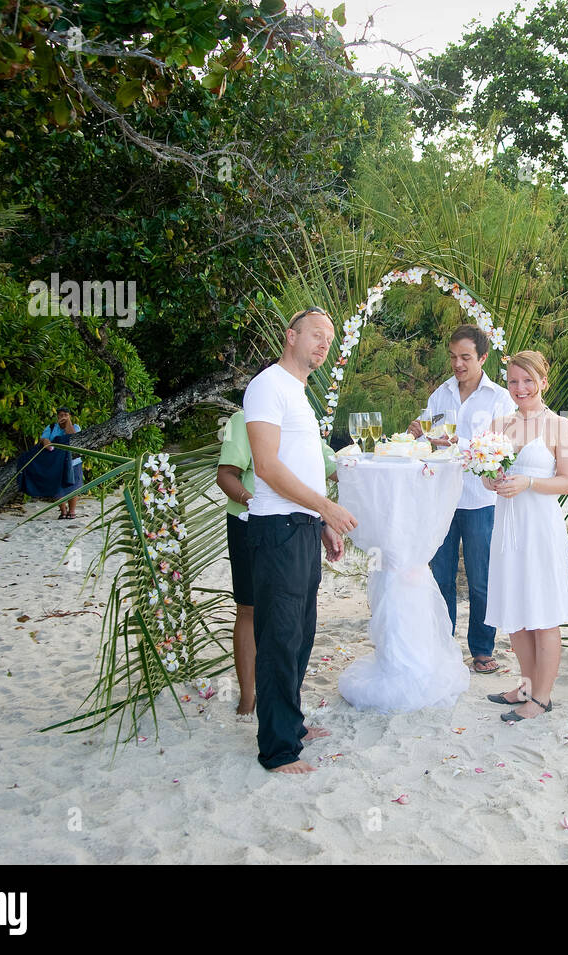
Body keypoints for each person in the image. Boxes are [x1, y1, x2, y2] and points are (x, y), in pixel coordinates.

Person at [244, 308, 358, 774]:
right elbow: (267, 467)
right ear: (290, 336)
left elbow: (304, 464)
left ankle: (291, 724)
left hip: (303, 527)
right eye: (316, 335)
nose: (323, 344)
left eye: (329, 339)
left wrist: (323, 521)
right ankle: (276, 750)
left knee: (301, 635)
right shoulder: (267, 385)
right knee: (279, 639)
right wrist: (327, 507)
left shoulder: (299, 392)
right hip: (277, 528)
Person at [216, 408, 338, 725]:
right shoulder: (244, 419)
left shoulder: (302, 418)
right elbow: (226, 474)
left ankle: (284, 701)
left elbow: (330, 467)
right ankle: (247, 698)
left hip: (297, 525)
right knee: (249, 607)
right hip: (247, 522)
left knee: (291, 610)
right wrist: (250, 501)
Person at [408, 325, 515, 674]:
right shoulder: (440, 394)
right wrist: (418, 434)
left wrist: (456, 444)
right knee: (440, 577)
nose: (457, 364)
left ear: (483, 358)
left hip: (480, 500)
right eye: (453, 357)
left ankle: (482, 650)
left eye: (465, 357)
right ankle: (442, 646)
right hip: (442, 498)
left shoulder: (499, 397)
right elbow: (429, 436)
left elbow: (503, 448)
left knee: (482, 578)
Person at [481, 351, 568, 722]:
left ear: (543, 382)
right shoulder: (500, 424)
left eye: (527, 381)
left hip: (540, 530)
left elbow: (567, 481)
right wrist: (490, 478)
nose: (519, 388)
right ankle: (525, 685)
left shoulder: (559, 426)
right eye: (512, 381)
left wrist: (530, 481)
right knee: (516, 612)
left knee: (542, 615)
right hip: (507, 529)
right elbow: (489, 473)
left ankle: (541, 697)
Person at [39, 406, 82, 519]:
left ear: (69, 416)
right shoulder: (52, 427)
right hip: (56, 462)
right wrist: (46, 442)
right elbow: (43, 439)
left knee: (74, 487)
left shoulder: (76, 427)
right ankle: (63, 510)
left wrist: (67, 423)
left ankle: (72, 511)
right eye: (60, 415)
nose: (63, 417)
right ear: (57, 417)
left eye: (65, 415)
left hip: (73, 462)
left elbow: (73, 437)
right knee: (56, 487)